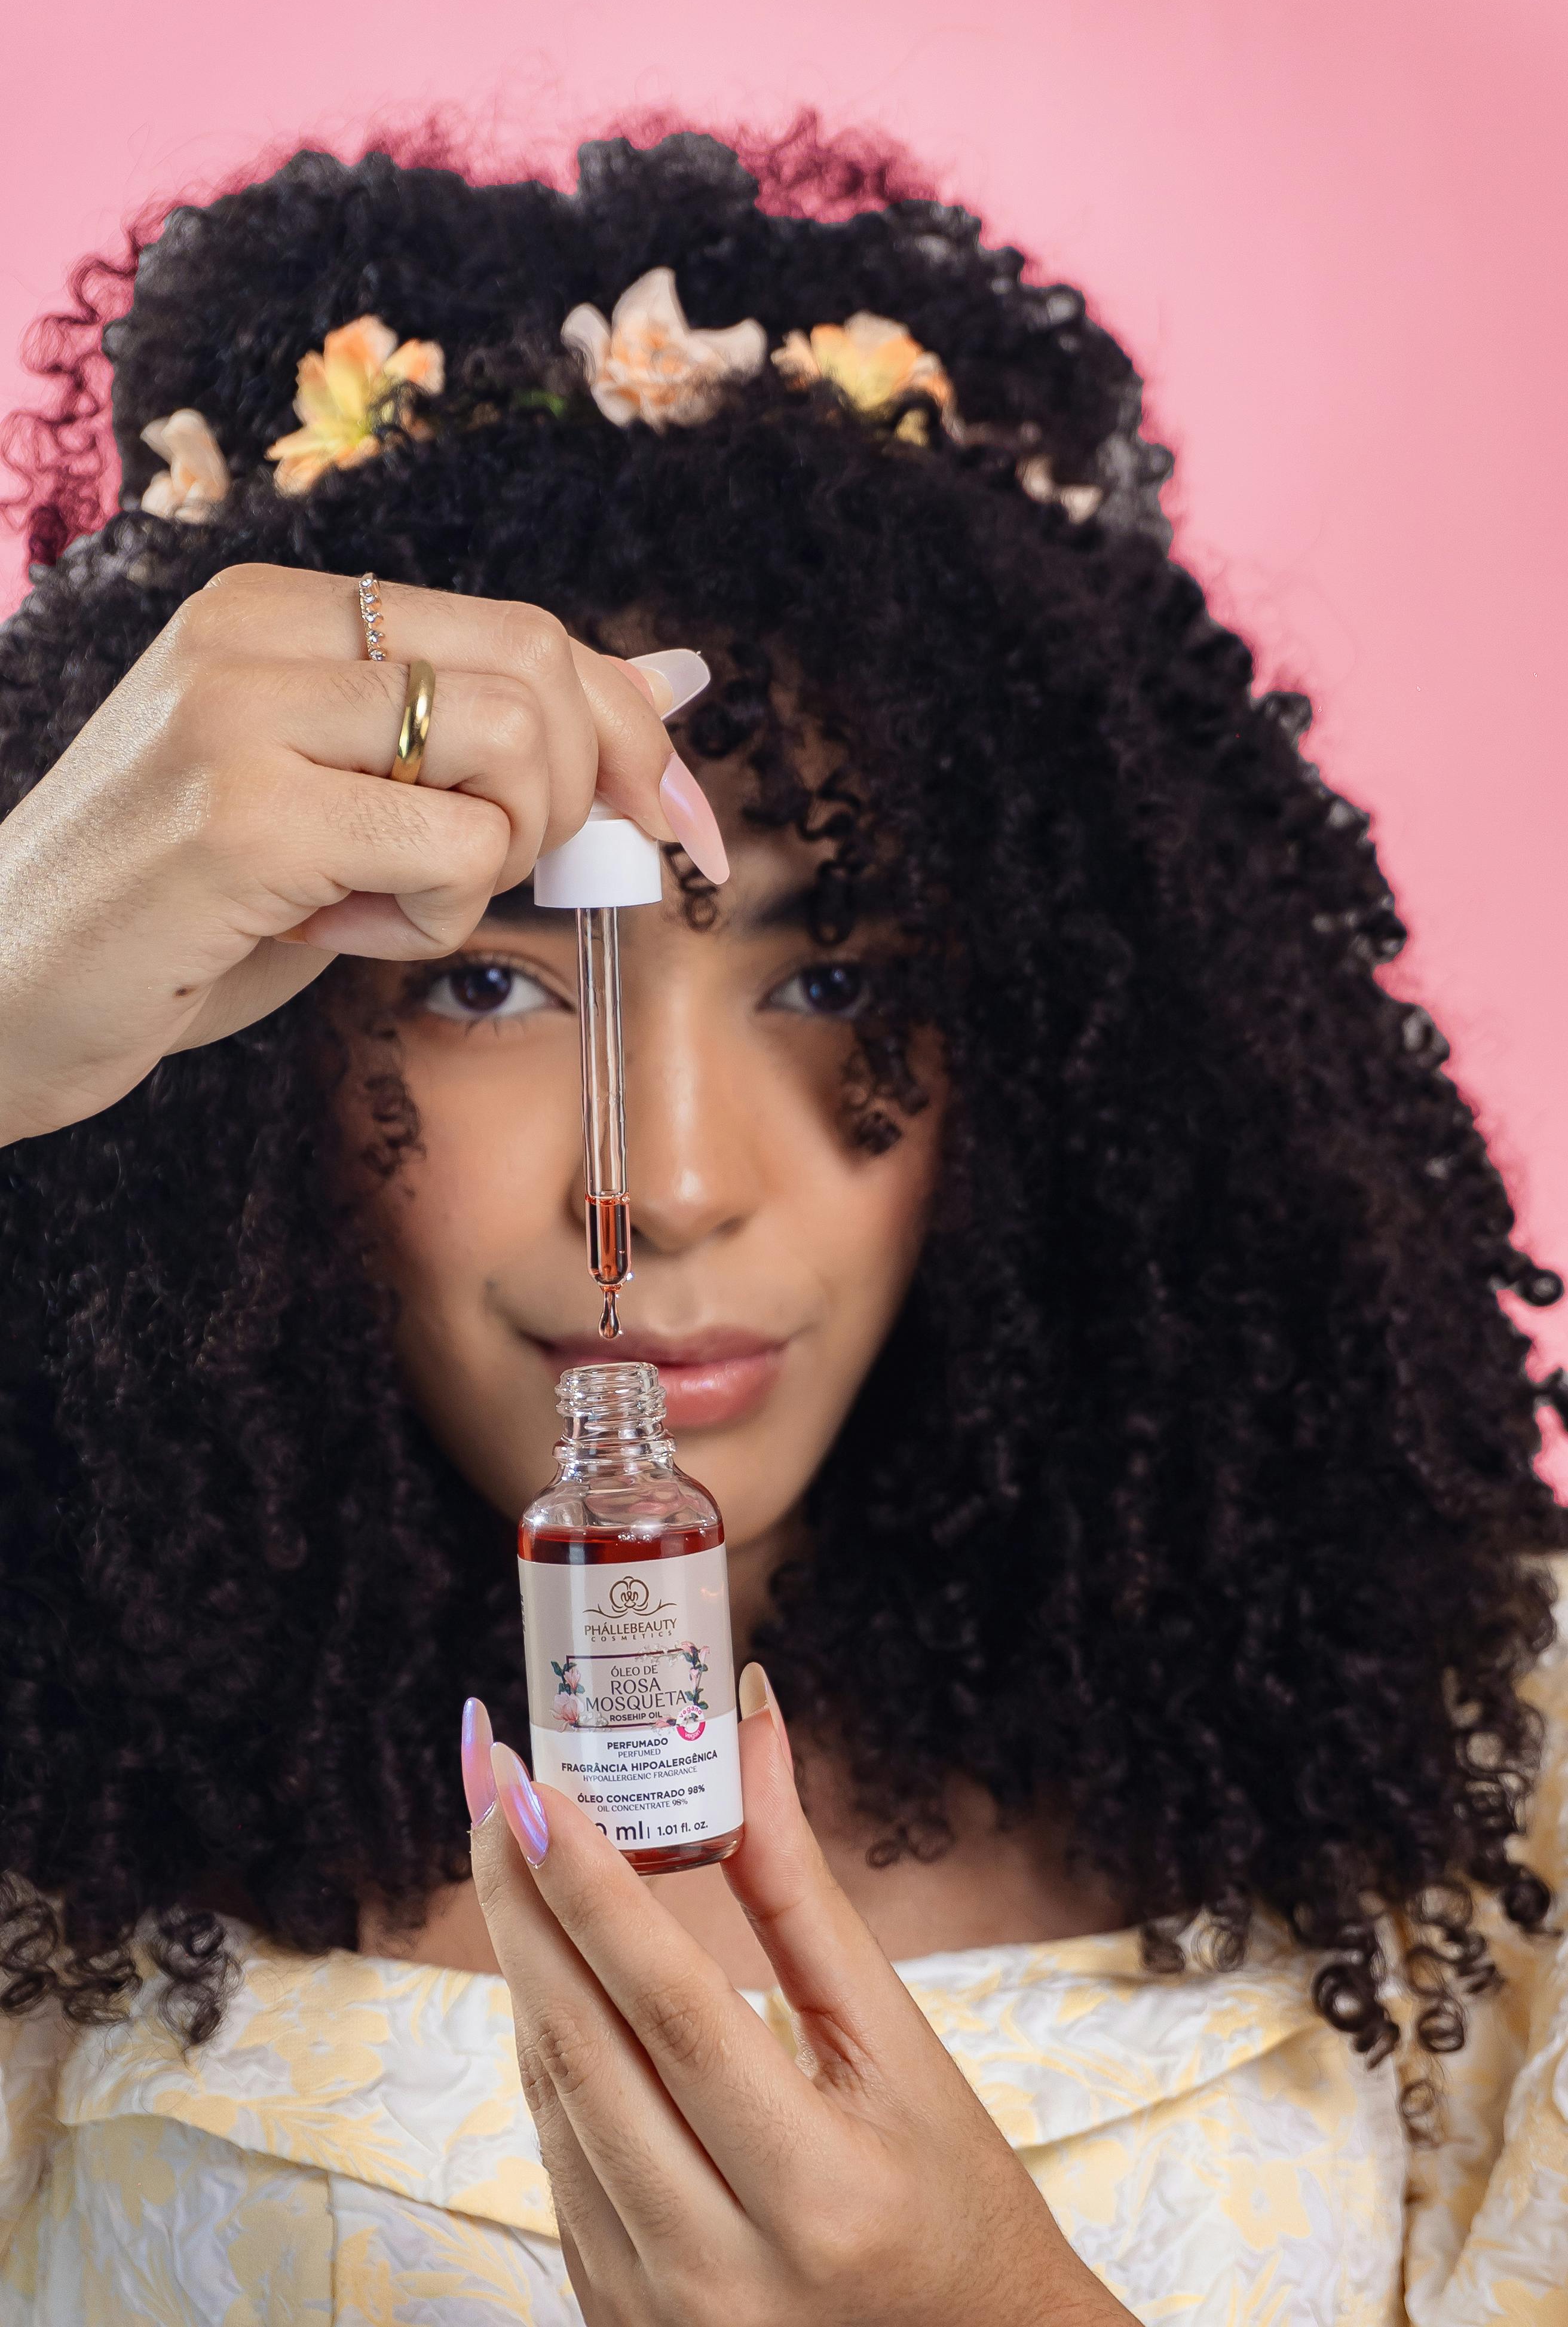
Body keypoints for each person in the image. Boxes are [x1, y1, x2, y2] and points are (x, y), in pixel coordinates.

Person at [0, 120, 1564, 2326]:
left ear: (1078, 1045)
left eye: (835, 979)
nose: (668, 1180)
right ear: (235, 1064)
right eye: (483, 984)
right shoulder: (46, 1745)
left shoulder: (1471, 1760)